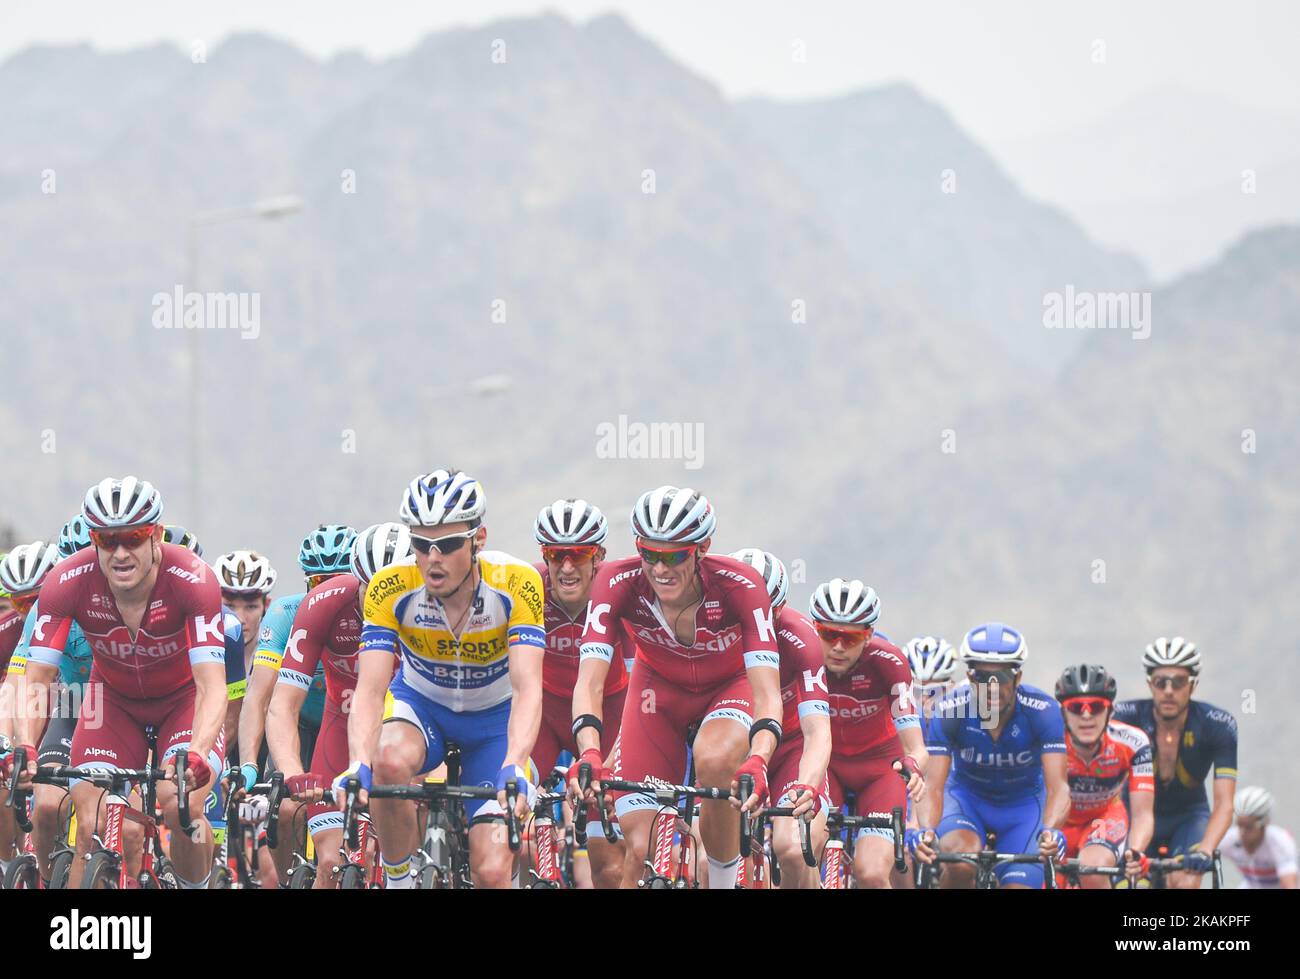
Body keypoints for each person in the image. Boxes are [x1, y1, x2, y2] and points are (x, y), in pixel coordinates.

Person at [12, 477, 227, 889]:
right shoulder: (67, 581)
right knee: (90, 818)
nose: (121, 552)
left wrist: (198, 752)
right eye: (107, 541)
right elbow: (35, 679)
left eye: (133, 537)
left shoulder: (193, 578)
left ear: (156, 536)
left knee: (178, 802)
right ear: (93, 541)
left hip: (183, 701)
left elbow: (212, 686)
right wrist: (24, 744)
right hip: (113, 702)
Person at [569, 486, 782, 889]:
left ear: (702, 548)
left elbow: (769, 694)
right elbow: (589, 682)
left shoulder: (741, 585)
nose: (660, 568)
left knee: (715, 759)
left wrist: (759, 757)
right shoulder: (616, 581)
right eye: (649, 553)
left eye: (674, 556)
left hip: (728, 687)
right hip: (656, 694)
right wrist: (591, 751)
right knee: (641, 846)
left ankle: (721, 879)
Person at [340, 469, 546, 889]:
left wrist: (516, 762)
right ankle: (400, 881)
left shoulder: (517, 583)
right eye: (421, 544)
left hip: (493, 724)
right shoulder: (389, 588)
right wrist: (358, 761)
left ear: (478, 540)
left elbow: (527, 688)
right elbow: (371, 690)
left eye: (449, 544)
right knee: (388, 759)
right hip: (422, 707)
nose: (433, 557)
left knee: (491, 872)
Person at [269, 523, 409, 887]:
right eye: (370, 589)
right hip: (340, 728)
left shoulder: (426, 609)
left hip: (404, 737)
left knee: (402, 852)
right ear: (355, 581)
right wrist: (292, 772)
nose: (380, 600)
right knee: (330, 864)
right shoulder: (326, 602)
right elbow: (282, 705)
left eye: (390, 591)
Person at [235, 524, 353, 884]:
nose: (331, 591)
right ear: (306, 584)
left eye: (340, 580)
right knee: (286, 810)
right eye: (320, 583)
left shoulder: (369, 613)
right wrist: (249, 764)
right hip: (299, 724)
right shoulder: (287, 614)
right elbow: (259, 698)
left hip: (348, 724)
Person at [916, 622, 1070, 889]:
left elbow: (1059, 787)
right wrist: (926, 829)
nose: (993, 687)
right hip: (967, 801)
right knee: (960, 861)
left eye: (1002, 678)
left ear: (1018, 678)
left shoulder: (1044, 711)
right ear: (970, 677)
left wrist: (1052, 830)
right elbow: (932, 786)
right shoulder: (950, 709)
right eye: (983, 678)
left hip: (1023, 808)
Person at [532, 499, 629, 889]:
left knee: (607, 862)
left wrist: (614, 758)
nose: (566, 567)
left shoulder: (621, 592)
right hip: (545, 715)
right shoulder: (530, 589)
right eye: (556, 555)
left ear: (599, 556)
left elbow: (644, 682)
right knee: (499, 823)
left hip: (612, 713)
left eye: (579, 554)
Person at [811, 578, 924, 888]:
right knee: (802, 850)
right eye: (828, 634)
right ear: (814, 627)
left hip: (880, 771)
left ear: (869, 635)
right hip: (826, 766)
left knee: (872, 873)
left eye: (850, 638)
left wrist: (914, 764)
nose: (837, 646)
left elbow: (917, 747)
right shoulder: (801, 655)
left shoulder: (889, 661)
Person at [1, 520, 96, 884]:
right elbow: (18, 687)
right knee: (45, 808)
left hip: (125, 711)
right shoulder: (47, 611)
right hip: (72, 707)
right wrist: (10, 743)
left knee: (110, 827)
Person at [730, 549, 831, 890]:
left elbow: (817, 731)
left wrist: (809, 785)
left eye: (765, 614)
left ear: (781, 607)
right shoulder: (704, 629)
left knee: (792, 850)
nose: (753, 623)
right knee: (707, 855)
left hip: (789, 749)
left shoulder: (801, 639)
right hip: (735, 748)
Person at [1113, 637, 1237, 889]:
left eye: (1178, 682)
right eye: (1161, 682)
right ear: (1150, 684)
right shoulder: (1124, 717)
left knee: (1186, 880)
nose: (1168, 691)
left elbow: (1225, 804)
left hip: (1188, 818)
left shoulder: (1219, 725)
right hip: (1134, 815)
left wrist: (1205, 850)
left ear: (1193, 685)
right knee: (1130, 885)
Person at [1055, 664, 1153, 887]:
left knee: (1092, 869)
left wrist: (1135, 852)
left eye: (1097, 706)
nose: (1087, 715)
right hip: (1057, 822)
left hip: (1104, 817)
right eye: (1077, 707)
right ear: (1063, 712)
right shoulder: (1048, 741)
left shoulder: (1133, 742)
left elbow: (1142, 814)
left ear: (1110, 711)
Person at [1221, 786, 1296, 888]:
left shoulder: (1280, 842)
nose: (1242, 832)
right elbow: (1202, 850)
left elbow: (1289, 885)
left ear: (1264, 823)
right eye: (1239, 825)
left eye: (1249, 827)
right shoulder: (1231, 839)